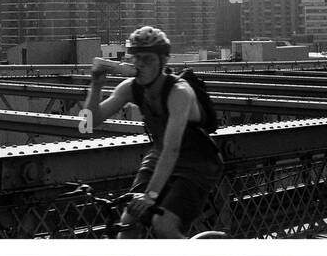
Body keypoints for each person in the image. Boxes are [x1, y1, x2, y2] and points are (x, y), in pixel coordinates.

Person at [81, 26, 225, 239]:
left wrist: (150, 196)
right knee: (129, 218)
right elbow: (88, 125)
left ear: (163, 62)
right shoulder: (131, 88)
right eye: (136, 58)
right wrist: (96, 85)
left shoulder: (179, 92)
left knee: (163, 224)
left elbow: (172, 149)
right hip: (159, 155)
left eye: (147, 59)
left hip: (196, 162)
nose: (139, 64)